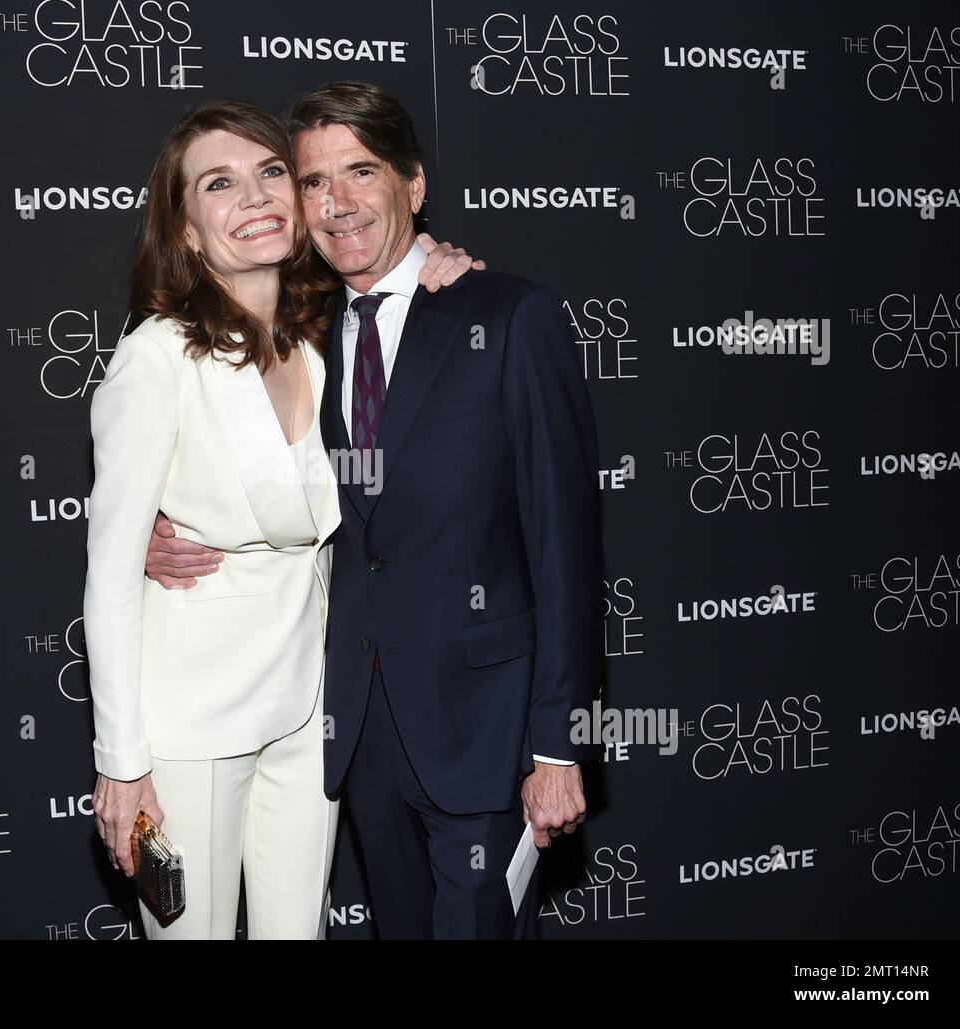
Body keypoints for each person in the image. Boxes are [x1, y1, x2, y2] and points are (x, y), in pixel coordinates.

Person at [146, 81, 605, 939]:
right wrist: (149, 535)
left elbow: (567, 549)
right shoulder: (299, 337)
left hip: (490, 732)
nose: (338, 202)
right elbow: (223, 473)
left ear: (414, 186)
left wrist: (560, 745)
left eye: (362, 172)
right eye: (314, 181)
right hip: (356, 735)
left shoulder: (508, 318)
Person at [83, 98, 479, 940]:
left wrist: (431, 258)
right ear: (187, 230)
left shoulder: (323, 340)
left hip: (309, 712)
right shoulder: (157, 358)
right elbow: (110, 581)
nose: (255, 197)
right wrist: (123, 765)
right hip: (189, 728)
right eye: (219, 184)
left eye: (271, 174)